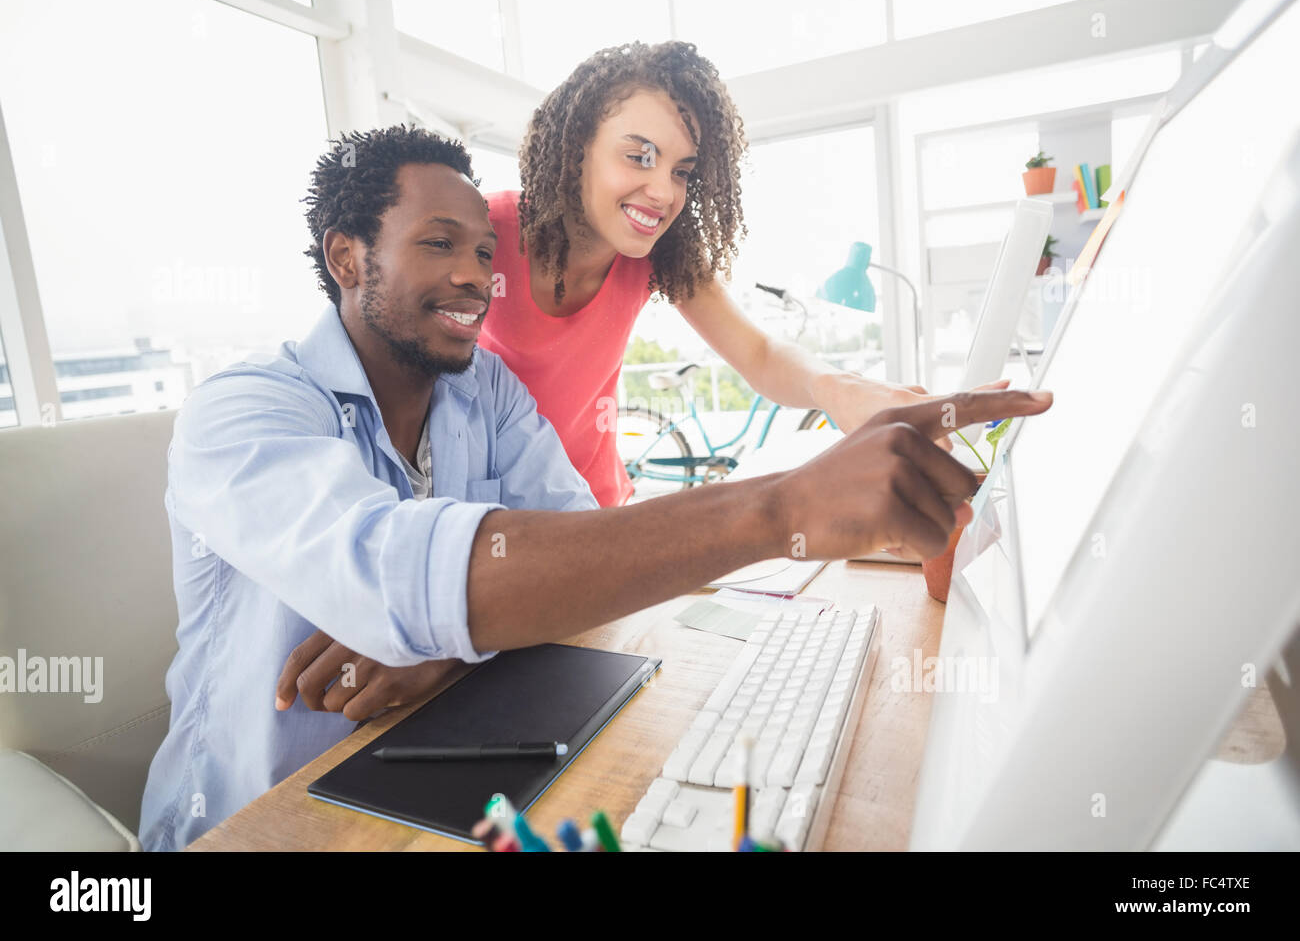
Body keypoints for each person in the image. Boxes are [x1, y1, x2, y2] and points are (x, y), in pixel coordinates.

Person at [140, 126, 1050, 850]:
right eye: (438, 245)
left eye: (480, 249)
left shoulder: (481, 389)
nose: (477, 275)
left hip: (426, 769)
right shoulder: (245, 411)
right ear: (347, 259)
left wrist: (450, 649)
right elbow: (397, 578)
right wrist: (783, 507)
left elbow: (575, 540)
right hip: (258, 819)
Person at [478, 40, 952, 508]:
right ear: (576, 146)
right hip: (491, 525)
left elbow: (761, 353)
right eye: (640, 156)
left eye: (681, 171)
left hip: (596, 517)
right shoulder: (479, 234)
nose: (664, 191)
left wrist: (842, 391)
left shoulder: (656, 257)